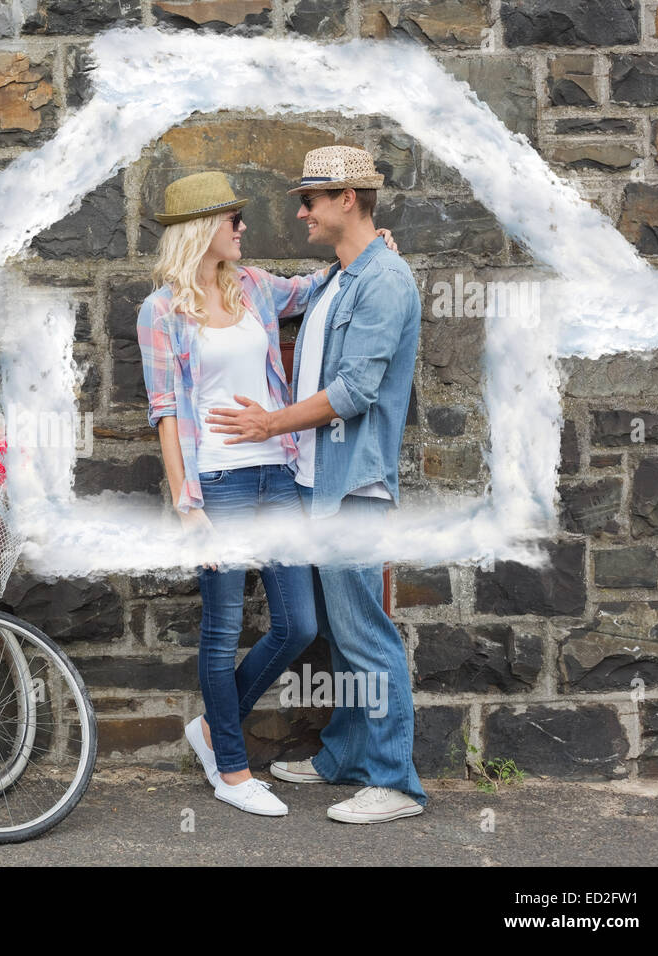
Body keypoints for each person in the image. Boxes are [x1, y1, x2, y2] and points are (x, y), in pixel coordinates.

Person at [136, 170, 396, 817]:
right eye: (234, 220)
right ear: (204, 230)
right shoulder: (161, 311)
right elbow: (166, 412)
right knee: (223, 629)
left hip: (276, 473)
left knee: (298, 624)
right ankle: (230, 767)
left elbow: (318, 287)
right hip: (217, 483)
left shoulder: (253, 287)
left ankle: (211, 728)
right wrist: (186, 502)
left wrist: (369, 253)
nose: (244, 228)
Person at [205, 146, 427, 824]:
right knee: (336, 631)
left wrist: (271, 422)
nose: (300, 210)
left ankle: (395, 782)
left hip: (351, 486)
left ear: (348, 201)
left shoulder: (384, 281)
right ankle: (344, 757)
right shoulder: (343, 276)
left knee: (366, 635)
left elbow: (357, 389)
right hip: (313, 481)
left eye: (311, 199)